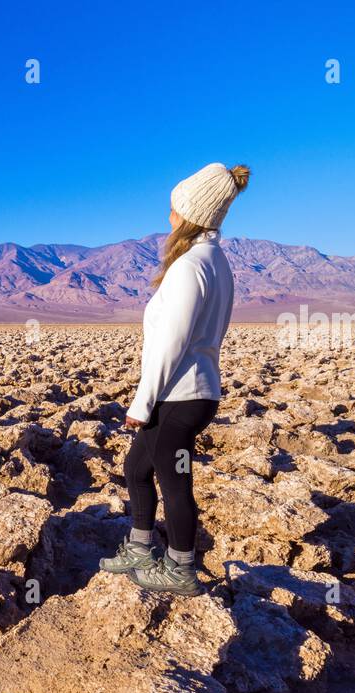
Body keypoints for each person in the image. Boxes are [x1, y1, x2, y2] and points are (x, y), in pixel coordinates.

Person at [100, 162, 250, 595]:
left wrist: (141, 403)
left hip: (180, 397)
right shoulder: (215, 262)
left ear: (189, 214)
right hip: (187, 392)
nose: (168, 217)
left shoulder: (190, 267)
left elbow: (172, 343)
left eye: (173, 209)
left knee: (174, 481)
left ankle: (181, 568)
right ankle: (141, 546)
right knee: (137, 468)